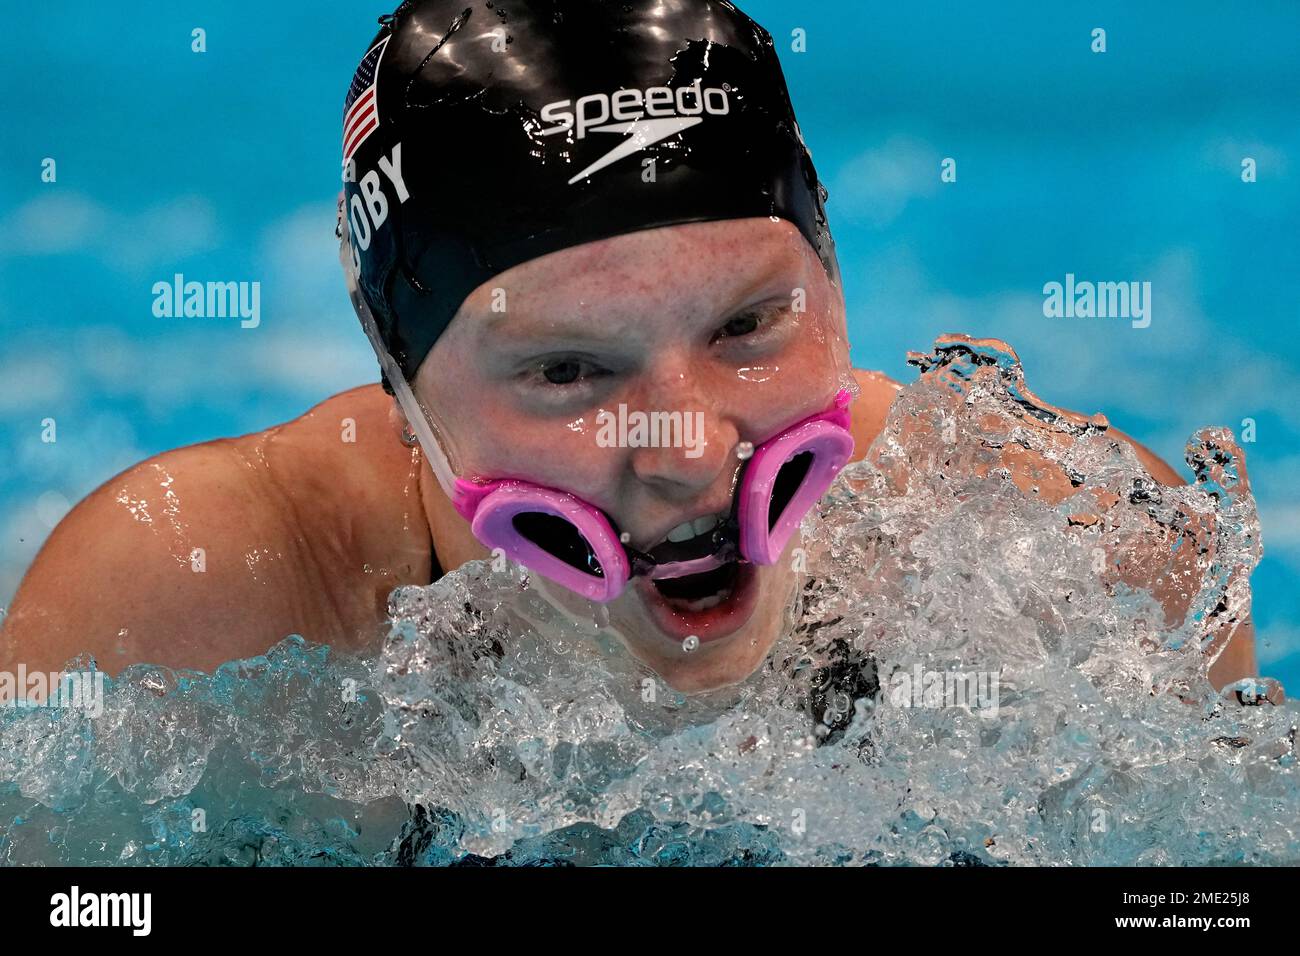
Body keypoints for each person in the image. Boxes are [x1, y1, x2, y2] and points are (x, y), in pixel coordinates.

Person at [0, 0, 1255, 693]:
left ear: (834, 282)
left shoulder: (1081, 564)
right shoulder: (186, 608)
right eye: (566, 370)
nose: (691, 457)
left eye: (748, 327)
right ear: (401, 383)